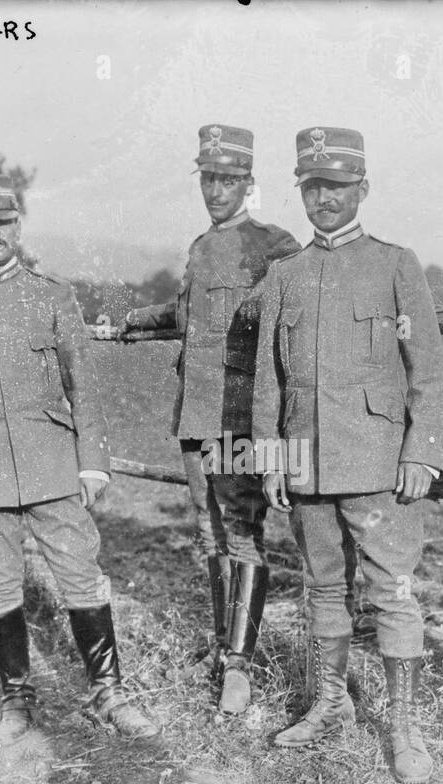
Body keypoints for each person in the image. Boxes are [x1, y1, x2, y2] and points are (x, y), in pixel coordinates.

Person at [0, 174, 157, 743]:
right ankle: (17, 698)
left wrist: (92, 460)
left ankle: (108, 693)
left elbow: (85, 385)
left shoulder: (53, 295)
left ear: (17, 226)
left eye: (1, 223)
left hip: (52, 463)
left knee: (80, 576)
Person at [253, 128, 443, 784]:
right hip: (306, 463)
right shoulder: (285, 274)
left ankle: (403, 726)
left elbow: (429, 371)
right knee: (322, 590)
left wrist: (421, 451)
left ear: (362, 189)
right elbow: (267, 381)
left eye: (336, 186)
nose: (324, 198)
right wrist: (272, 457)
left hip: (378, 466)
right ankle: (328, 704)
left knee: (392, 593)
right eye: (312, 186)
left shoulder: (396, 264)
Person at [123, 124, 303, 714]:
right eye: (208, 178)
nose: (216, 190)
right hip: (196, 413)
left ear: (250, 184)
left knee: (243, 531)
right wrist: (146, 318)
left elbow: (290, 317)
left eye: (229, 179)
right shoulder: (200, 247)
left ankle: (240, 666)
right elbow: (188, 312)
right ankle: (224, 642)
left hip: (240, 416)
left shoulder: (275, 246)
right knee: (209, 532)